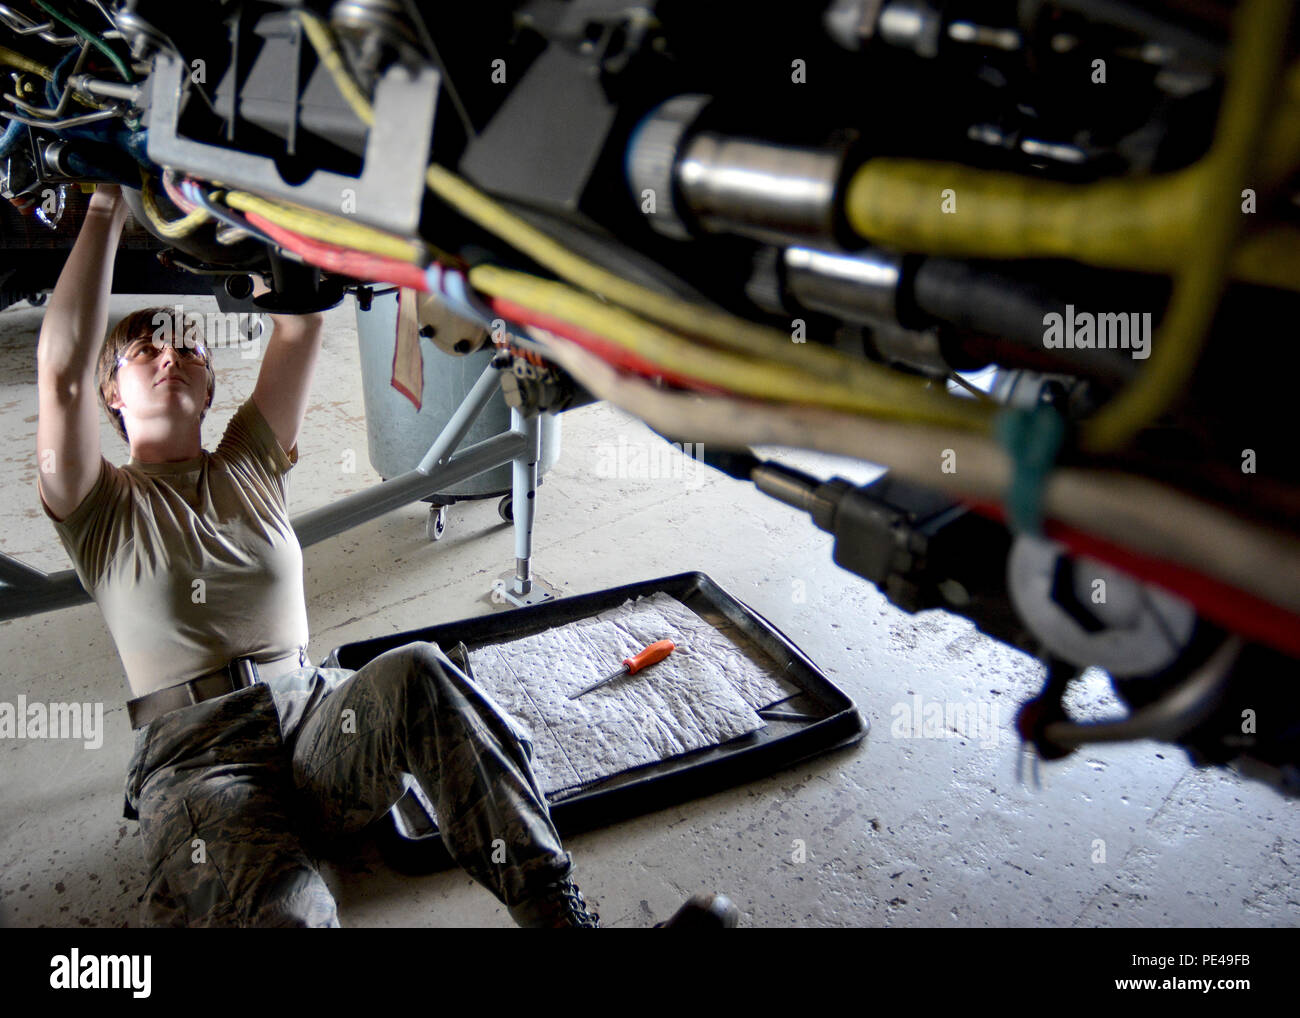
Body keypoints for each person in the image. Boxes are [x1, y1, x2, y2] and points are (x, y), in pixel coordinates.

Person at [34, 182, 739, 928]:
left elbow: (301, 327)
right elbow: (61, 372)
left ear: (211, 385)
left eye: (187, 347)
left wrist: (281, 201)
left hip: (310, 717)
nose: (168, 356)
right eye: (143, 351)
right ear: (111, 392)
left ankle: (562, 922)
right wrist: (107, 204)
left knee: (421, 671)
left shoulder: (248, 459)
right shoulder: (96, 504)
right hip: (201, 757)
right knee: (289, 916)